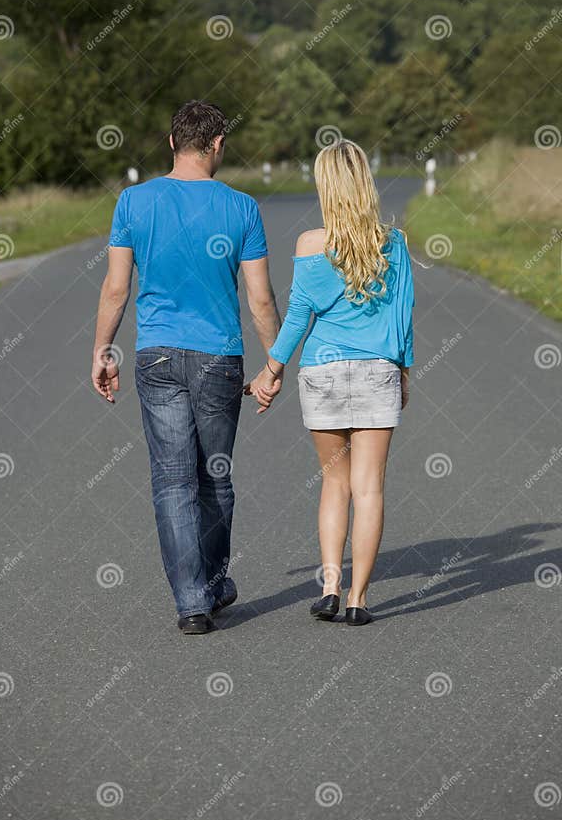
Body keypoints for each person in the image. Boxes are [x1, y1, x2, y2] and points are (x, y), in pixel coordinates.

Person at [91, 100, 281, 635]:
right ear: (218, 144)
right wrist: (275, 362)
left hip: (157, 355)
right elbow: (261, 299)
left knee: (173, 480)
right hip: (219, 356)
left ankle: (193, 602)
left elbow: (115, 286)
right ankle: (216, 581)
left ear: (173, 143)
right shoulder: (241, 207)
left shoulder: (133, 201)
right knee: (214, 477)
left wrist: (102, 350)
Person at [247, 139, 414, 626]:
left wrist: (270, 371)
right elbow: (403, 316)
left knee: (333, 484)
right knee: (370, 489)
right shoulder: (394, 244)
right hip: (378, 369)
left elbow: (298, 317)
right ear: (365, 184)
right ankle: (360, 599)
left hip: (321, 372)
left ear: (326, 188)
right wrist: (403, 373)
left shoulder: (309, 245)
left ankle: (329, 586)